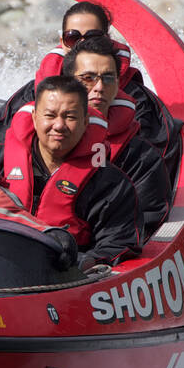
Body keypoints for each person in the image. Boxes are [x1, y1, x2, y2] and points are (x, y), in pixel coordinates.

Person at [0, 0, 183, 187]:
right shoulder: (34, 91)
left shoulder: (138, 100)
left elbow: (155, 162)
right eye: (73, 37)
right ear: (63, 41)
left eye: (93, 37)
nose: (82, 44)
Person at [0, 76, 142, 268]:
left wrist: (86, 262)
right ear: (34, 117)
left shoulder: (110, 183)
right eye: (50, 116)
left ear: (85, 122)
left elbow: (119, 243)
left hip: (67, 276)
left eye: (70, 117)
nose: (59, 126)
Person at [62, 37, 171, 235]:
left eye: (108, 78)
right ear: (67, 82)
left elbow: (149, 220)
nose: (99, 87)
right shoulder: (40, 139)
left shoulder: (140, 157)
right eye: (88, 78)